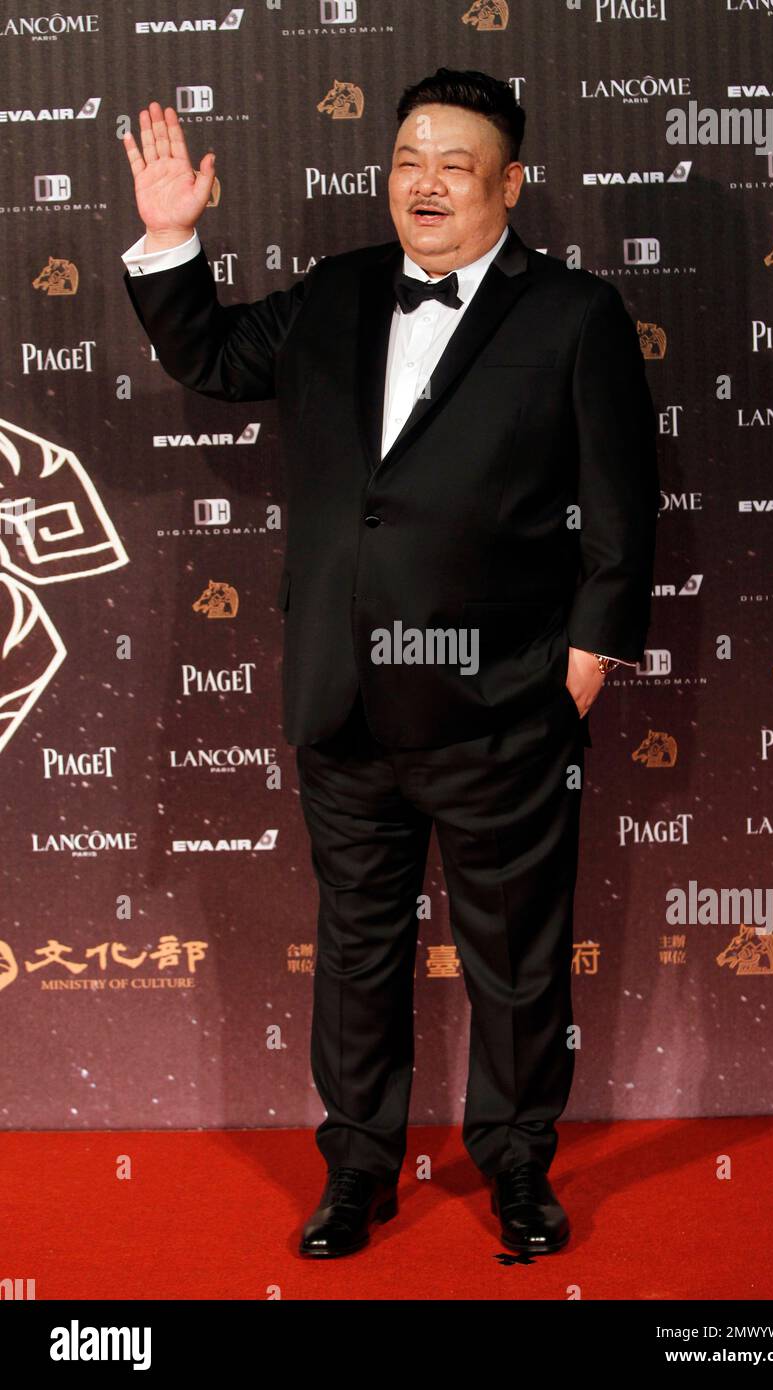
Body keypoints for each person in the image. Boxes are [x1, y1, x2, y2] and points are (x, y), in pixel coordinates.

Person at [120, 67, 659, 1259]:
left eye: (454, 164)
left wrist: (577, 671)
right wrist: (170, 240)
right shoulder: (335, 294)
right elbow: (210, 359)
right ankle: (357, 1168)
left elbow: (623, 519)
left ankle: (518, 1168)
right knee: (357, 954)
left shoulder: (574, 316)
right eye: (408, 158)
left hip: (499, 706)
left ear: (507, 184)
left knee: (515, 962)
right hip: (343, 700)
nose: (424, 182)